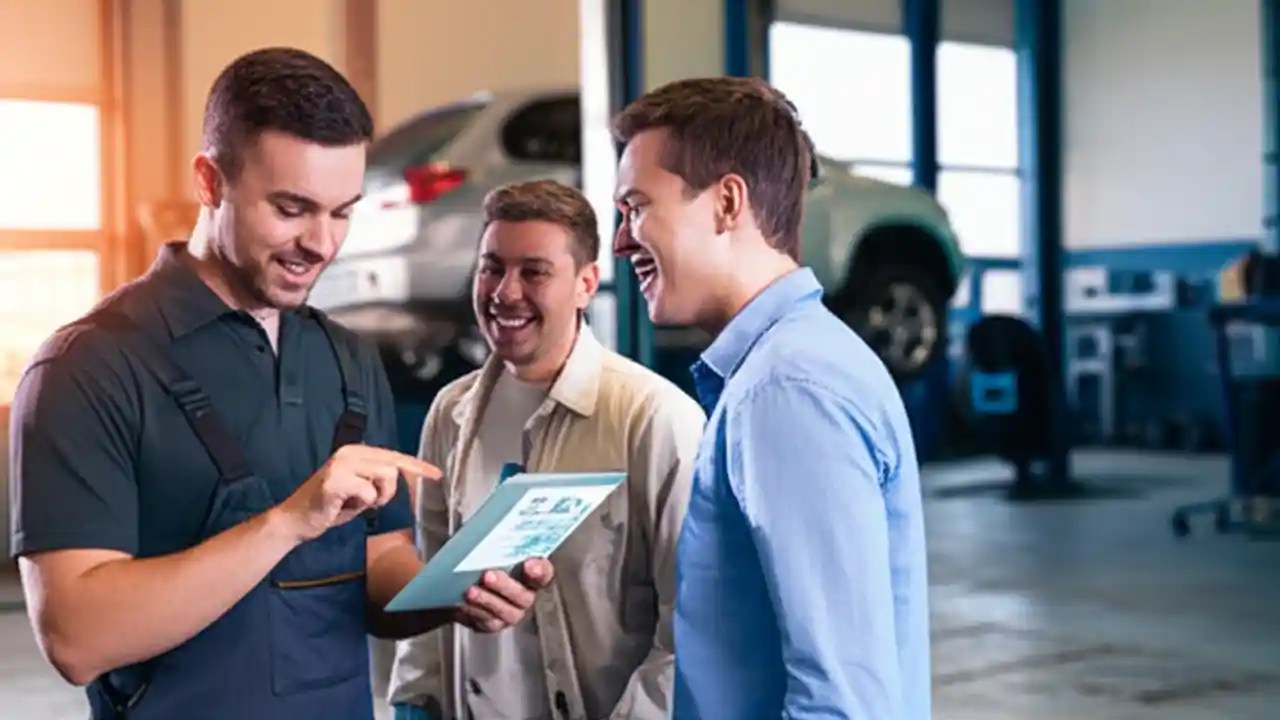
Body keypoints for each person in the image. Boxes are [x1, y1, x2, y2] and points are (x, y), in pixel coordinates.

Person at [8, 47, 552, 720]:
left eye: (342, 211)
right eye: (292, 209)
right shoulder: (89, 370)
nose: (322, 243)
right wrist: (290, 521)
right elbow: (76, 637)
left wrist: (455, 593)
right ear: (211, 181)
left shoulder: (347, 360)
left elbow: (378, 567)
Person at [611, 77, 932, 719]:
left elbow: (840, 703)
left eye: (637, 208)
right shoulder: (790, 366)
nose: (620, 242)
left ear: (727, 202)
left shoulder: (787, 389)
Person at [385, 179, 705, 720]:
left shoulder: (652, 418)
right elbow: (433, 590)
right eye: (492, 267)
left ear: (585, 284)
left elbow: (691, 630)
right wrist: (415, 702)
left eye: (534, 272)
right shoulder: (450, 412)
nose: (505, 292)